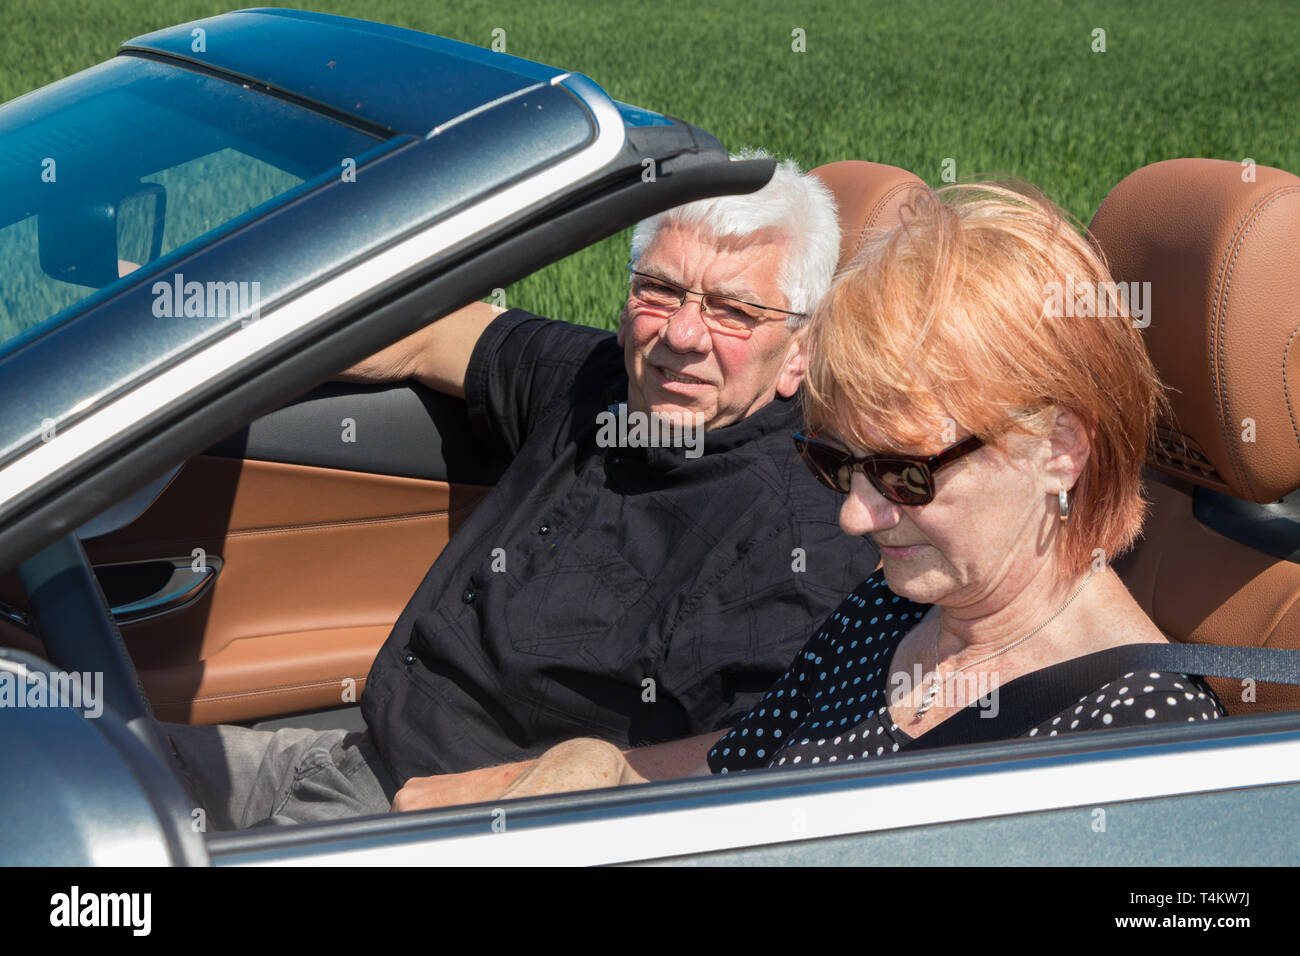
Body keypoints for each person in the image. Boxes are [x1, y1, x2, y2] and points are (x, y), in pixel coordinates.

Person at [389, 180, 1225, 811]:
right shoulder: (893, 612)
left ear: (1059, 451)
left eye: (905, 474)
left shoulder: (1148, 740)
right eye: (838, 466)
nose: (856, 516)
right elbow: (747, 760)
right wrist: (567, 774)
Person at [164, 152, 881, 829]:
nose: (683, 335)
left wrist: (497, 797)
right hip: (346, 757)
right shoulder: (602, 377)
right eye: (660, 291)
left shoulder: (800, 533)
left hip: (430, 825)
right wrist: (181, 311)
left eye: (734, 311)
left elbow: (756, 763)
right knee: (69, 750)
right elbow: (429, 335)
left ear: (800, 353)